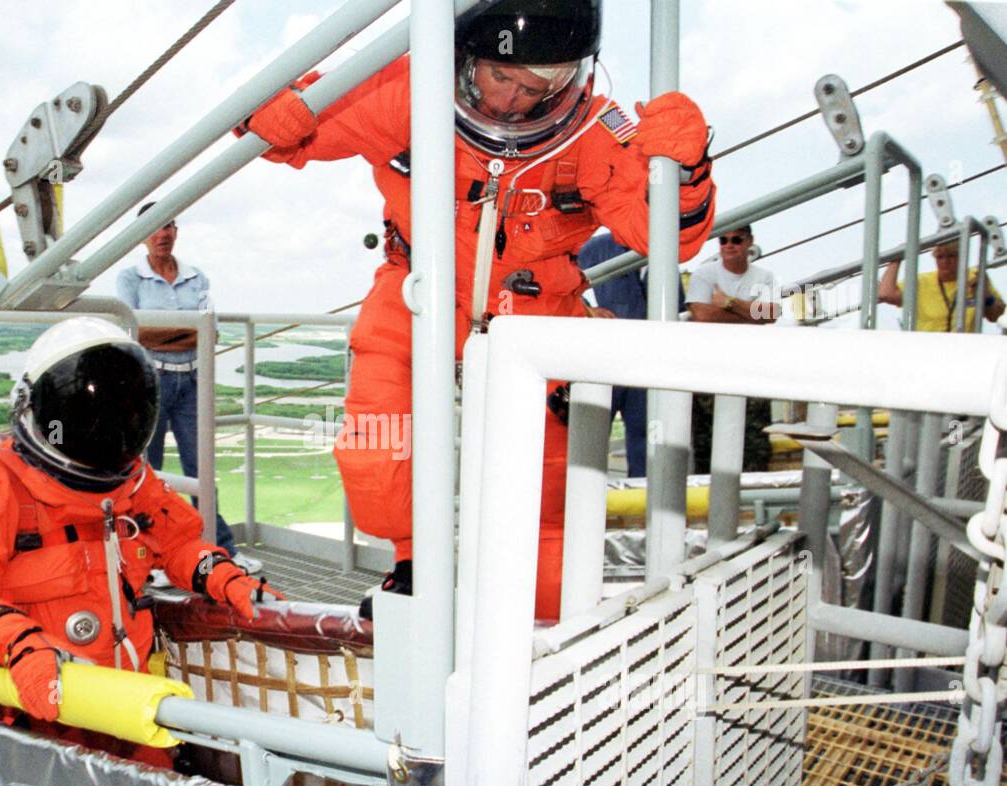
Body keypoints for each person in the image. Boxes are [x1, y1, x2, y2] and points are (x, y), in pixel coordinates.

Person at [243, 0, 717, 619]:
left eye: (541, 86)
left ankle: (550, 611)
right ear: (466, 60)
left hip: (541, 307)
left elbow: (666, 232)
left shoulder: (594, 133)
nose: (518, 102)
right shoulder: (405, 93)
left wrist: (686, 169)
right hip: (418, 289)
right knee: (376, 450)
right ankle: (414, 568)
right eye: (503, 78)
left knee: (550, 485)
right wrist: (275, 108)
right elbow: (295, 124)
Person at [0, 317, 279, 752]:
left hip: (132, 703)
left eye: (118, 415)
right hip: (40, 716)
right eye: (88, 417)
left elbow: (179, 544)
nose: (105, 432)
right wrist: (16, 642)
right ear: (35, 409)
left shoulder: (132, 480)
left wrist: (223, 576)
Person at [116, 202, 262, 580]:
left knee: (201, 469)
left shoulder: (196, 277)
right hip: (149, 383)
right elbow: (134, 331)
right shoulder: (130, 279)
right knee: (147, 472)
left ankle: (221, 550)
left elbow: (208, 332)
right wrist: (185, 331)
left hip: (192, 380)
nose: (162, 234)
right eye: (154, 227)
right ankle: (150, 557)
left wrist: (169, 331)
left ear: (176, 231)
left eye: (168, 225)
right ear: (142, 236)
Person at [578, 231, 686, 478]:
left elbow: (676, 304)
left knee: (644, 438)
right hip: (603, 357)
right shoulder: (596, 247)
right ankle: (582, 505)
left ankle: (641, 508)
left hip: (645, 358)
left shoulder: (661, 250)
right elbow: (559, 282)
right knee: (590, 439)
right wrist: (586, 309)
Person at [685, 224, 777, 472]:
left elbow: (770, 314)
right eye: (723, 240)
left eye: (736, 240)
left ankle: (752, 501)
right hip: (710, 368)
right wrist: (748, 313)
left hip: (751, 368)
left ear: (749, 242)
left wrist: (728, 302)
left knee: (755, 442)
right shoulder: (705, 273)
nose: (729, 245)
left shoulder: (763, 276)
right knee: (707, 441)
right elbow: (702, 314)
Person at [877, 240, 1004, 332]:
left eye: (951, 256)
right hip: (930, 350)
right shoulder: (921, 281)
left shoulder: (975, 277)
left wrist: (986, 295)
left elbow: (995, 316)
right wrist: (897, 257)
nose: (945, 262)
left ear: (961, 256)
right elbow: (885, 294)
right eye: (940, 257)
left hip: (964, 351)